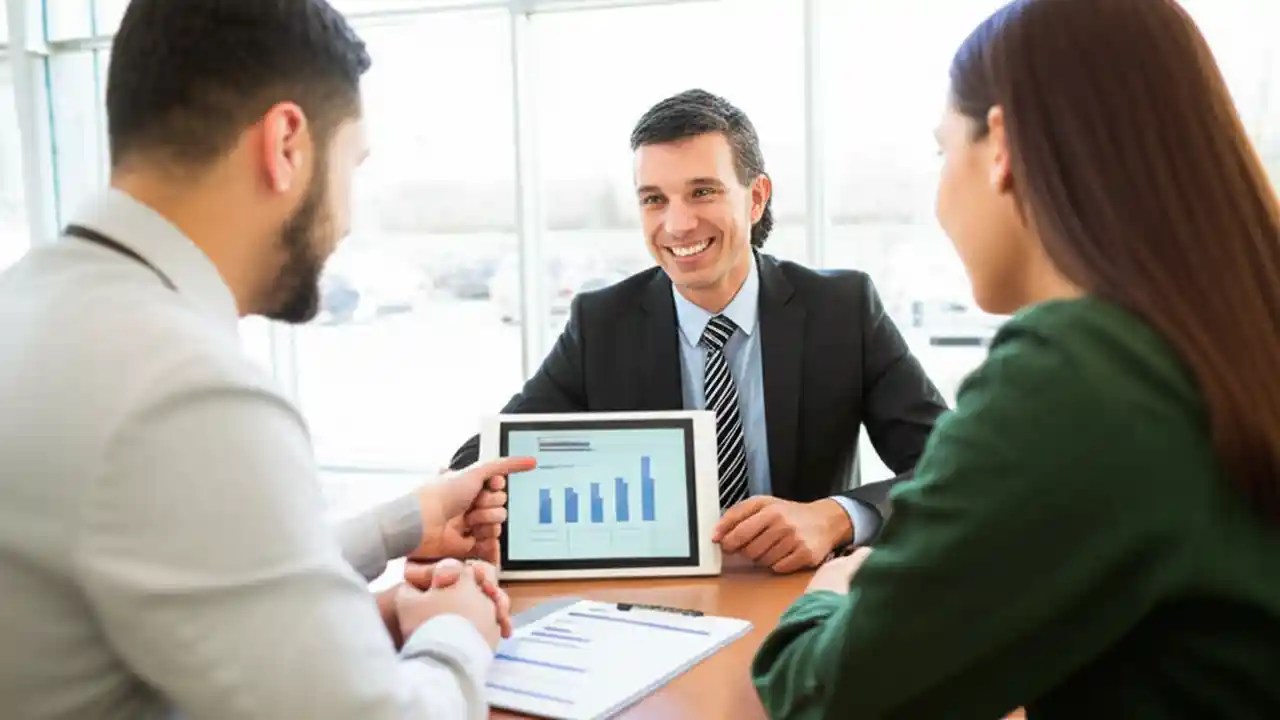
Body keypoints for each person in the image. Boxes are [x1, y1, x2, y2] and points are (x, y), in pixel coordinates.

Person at [0, 1, 533, 718]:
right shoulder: (184, 388)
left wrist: (407, 522)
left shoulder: (32, 306)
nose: (346, 216)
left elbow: (175, 564)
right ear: (286, 143)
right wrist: (455, 634)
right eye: (354, 164)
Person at [751, 0, 1280, 716]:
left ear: (1002, 145)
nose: (940, 197)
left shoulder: (1079, 370)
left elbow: (824, 697)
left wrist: (828, 598)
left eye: (944, 151)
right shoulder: (1225, 335)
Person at [452, 89, 948, 572]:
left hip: (802, 595)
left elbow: (948, 466)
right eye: (654, 199)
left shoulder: (842, 310)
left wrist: (838, 517)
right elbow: (489, 457)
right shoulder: (602, 323)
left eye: (702, 192)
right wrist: (453, 499)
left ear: (756, 199)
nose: (678, 223)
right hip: (660, 608)